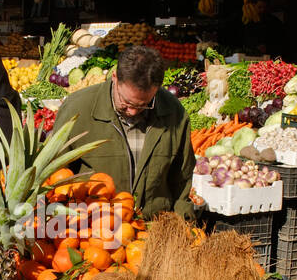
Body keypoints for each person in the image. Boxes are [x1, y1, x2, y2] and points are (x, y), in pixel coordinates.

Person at [52, 45, 195, 219]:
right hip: (95, 228)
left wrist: (184, 224)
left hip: (153, 227)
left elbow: (182, 176)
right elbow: (56, 175)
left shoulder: (174, 112)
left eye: (144, 104)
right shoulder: (78, 109)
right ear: (114, 78)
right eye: (126, 102)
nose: (133, 112)